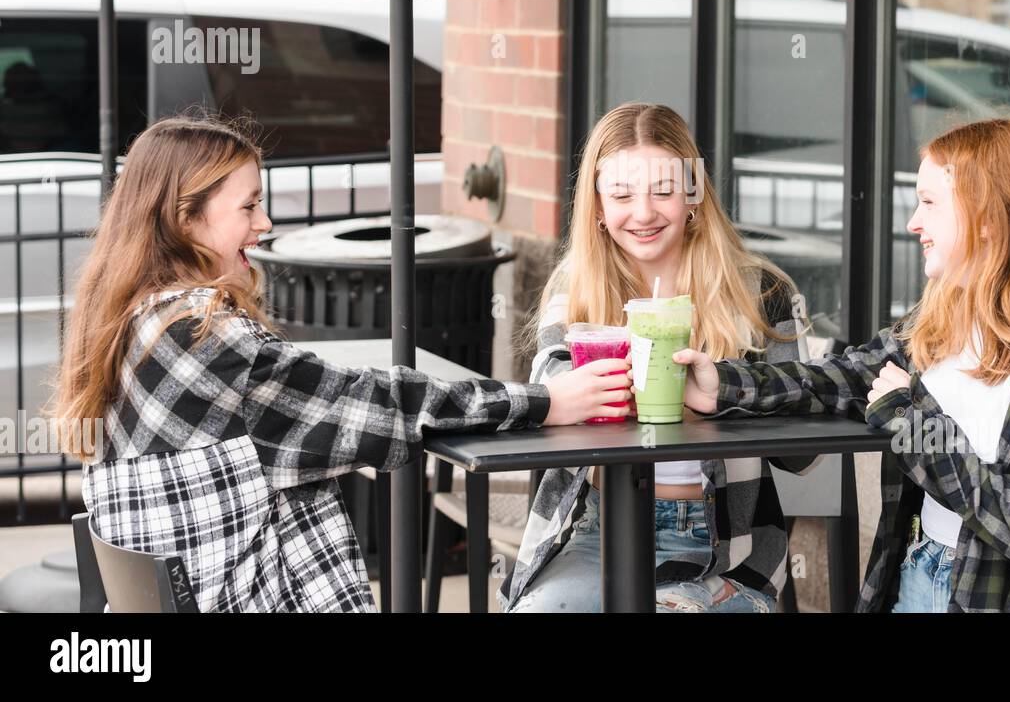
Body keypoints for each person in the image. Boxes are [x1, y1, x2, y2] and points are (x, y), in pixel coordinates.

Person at [49, 112, 630, 612]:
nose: (265, 223)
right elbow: (378, 406)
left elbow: (319, 403)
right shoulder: (204, 336)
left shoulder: (133, 320)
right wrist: (546, 401)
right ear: (183, 219)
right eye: (248, 206)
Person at [673, 116, 1010, 612]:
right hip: (918, 568)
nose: (913, 223)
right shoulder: (947, 315)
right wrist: (722, 386)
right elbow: (846, 376)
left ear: (989, 215)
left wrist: (912, 424)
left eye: (929, 203)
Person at [501, 102, 818, 613]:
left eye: (663, 192)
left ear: (692, 196)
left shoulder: (760, 292)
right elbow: (550, 389)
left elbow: (803, 452)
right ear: (598, 207)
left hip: (725, 548)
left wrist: (724, 394)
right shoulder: (575, 287)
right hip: (598, 531)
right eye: (622, 194)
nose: (643, 213)